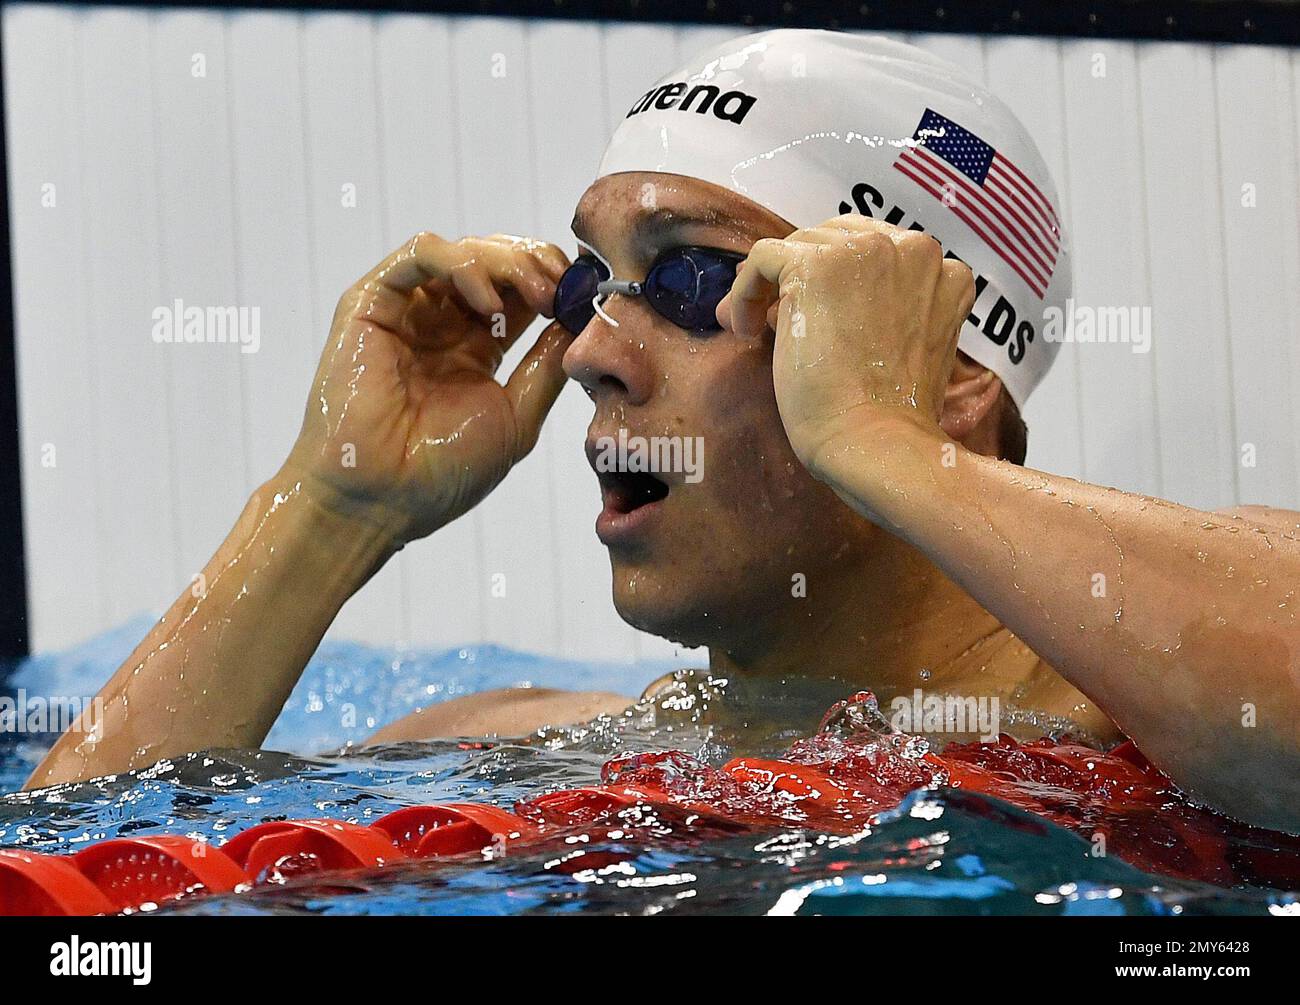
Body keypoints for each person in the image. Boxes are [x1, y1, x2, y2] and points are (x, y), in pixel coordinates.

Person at [27, 30, 1299, 835]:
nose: (588, 352)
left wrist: (884, 441)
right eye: (591, 285)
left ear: (951, 371)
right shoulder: (514, 747)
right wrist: (332, 509)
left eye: (694, 279)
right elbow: (76, 867)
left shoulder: (1137, 733)